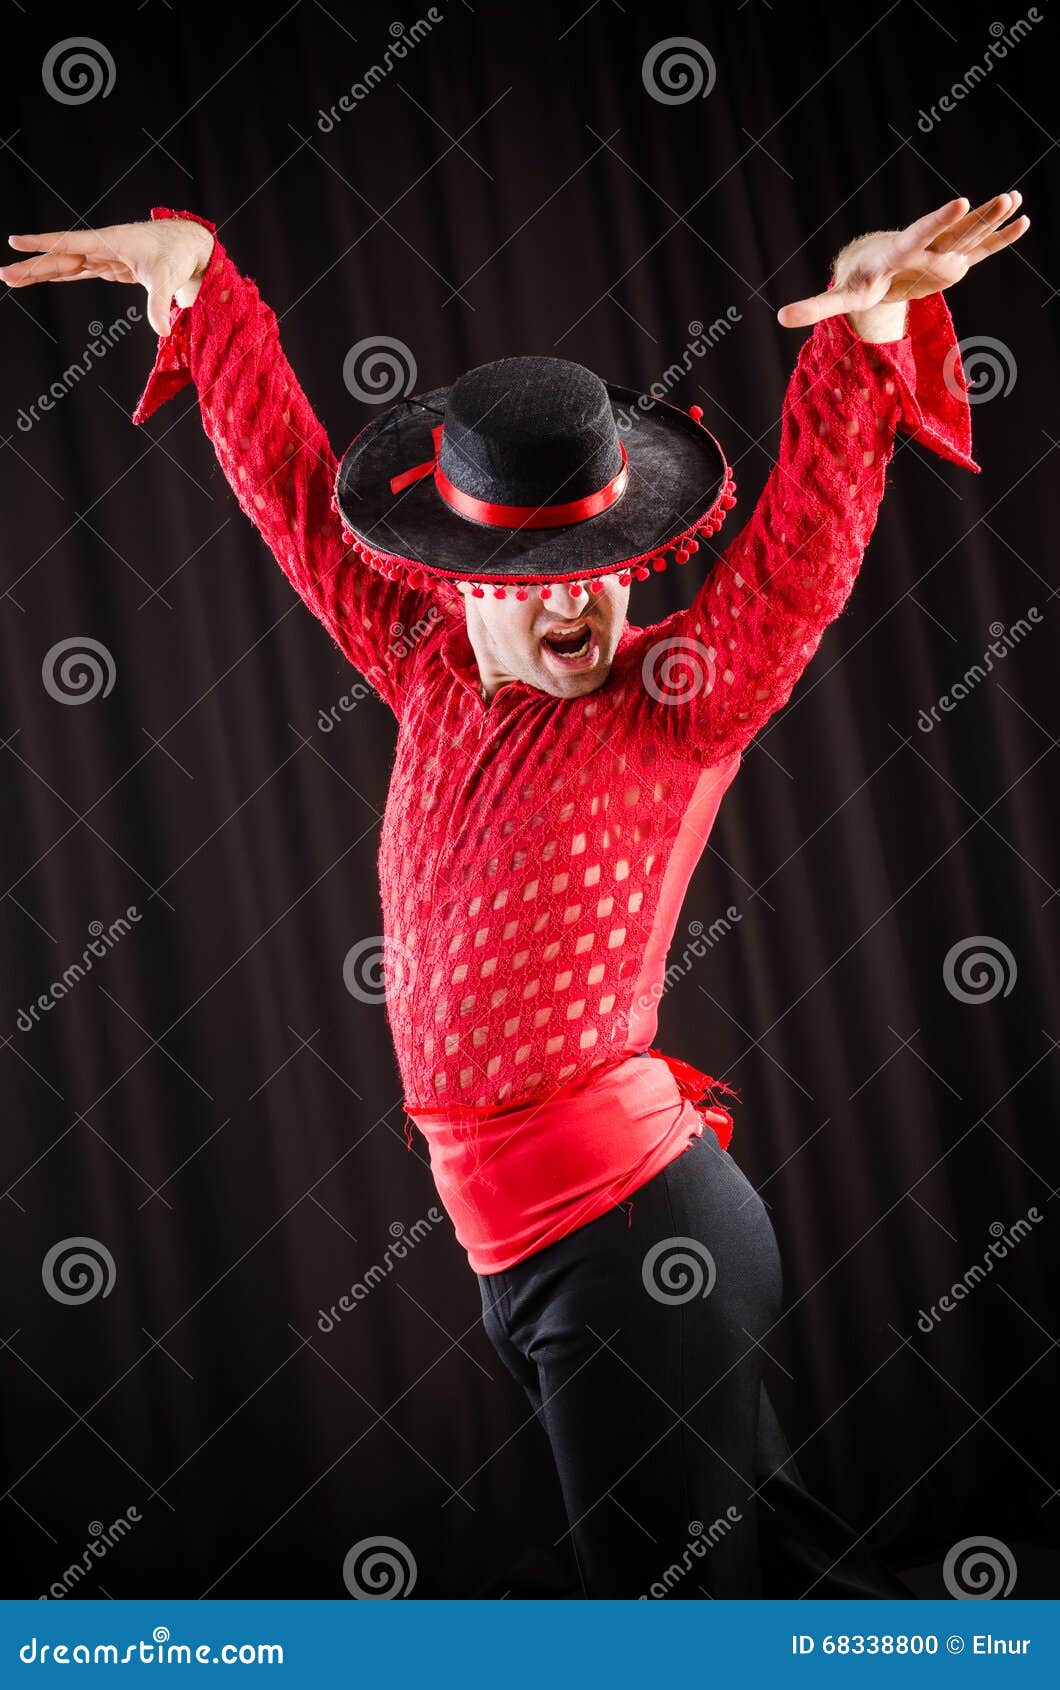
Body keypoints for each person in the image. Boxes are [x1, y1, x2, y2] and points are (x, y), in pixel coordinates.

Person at [0, 192, 1028, 1598]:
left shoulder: (676, 694)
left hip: (636, 1233)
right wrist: (199, 289)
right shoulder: (423, 662)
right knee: (776, 1583)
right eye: (541, 572)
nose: (581, 604)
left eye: (608, 569)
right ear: (459, 574)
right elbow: (302, 502)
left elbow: (801, 550)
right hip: (543, 1250)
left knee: (665, 1621)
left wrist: (867, 331)